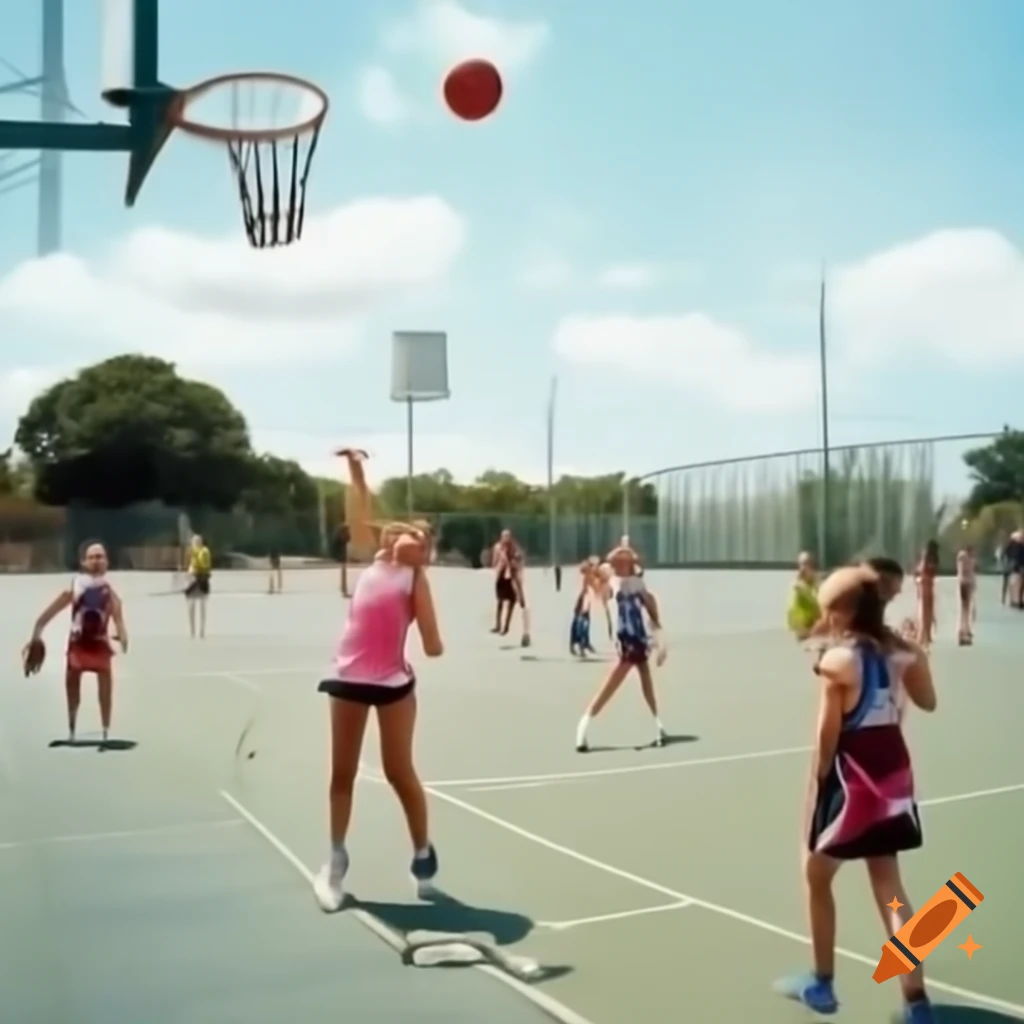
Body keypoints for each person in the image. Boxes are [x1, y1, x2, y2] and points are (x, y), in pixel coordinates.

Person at [775, 565, 936, 1022]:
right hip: (893, 774)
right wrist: (917, 655)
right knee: (890, 887)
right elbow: (927, 701)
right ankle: (916, 1002)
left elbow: (826, 737)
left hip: (855, 778)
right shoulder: (904, 654)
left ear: (843, 612)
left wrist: (816, 794)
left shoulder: (838, 662)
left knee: (816, 874)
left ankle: (821, 983)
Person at [312, 454, 443, 913]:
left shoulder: (415, 580)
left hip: (393, 684)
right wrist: (357, 474)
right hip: (347, 676)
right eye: (408, 531)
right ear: (391, 539)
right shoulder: (372, 559)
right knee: (341, 774)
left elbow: (432, 645)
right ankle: (335, 863)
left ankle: (423, 854)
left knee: (398, 771)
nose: (411, 537)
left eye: (421, 537)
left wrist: (428, 620)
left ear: (423, 551)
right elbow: (358, 514)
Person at [23, 540, 128, 746]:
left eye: (100, 557)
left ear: (107, 562)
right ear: (83, 562)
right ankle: (72, 727)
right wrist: (37, 631)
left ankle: (106, 728)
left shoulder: (110, 592)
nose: (96, 561)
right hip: (78, 645)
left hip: (100, 644)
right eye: (92, 557)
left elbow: (118, 617)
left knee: (106, 685)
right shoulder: (75, 586)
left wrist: (123, 635)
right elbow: (51, 611)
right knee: (72, 685)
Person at [574, 544, 667, 752]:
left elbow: (651, 608)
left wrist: (659, 637)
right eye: (621, 560)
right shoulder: (611, 583)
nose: (624, 563)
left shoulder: (637, 584)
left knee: (645, 679)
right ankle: (585, 722)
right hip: (625, 636)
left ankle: (656, 722)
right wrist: (592, 569)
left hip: (639, 636)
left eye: (627, 560)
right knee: (613, 682)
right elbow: (595, 576)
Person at [787, 551, 820, 641]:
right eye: (800, 564)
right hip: (799, 630)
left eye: (805, 564)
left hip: (812, 628)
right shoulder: (797, 582)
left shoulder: (816, 583)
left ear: (812, 566)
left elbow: (817, 602)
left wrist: (802, 590)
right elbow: (792, 606)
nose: (802, 568)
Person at [184, 533, 212, 639]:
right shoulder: (192, 552)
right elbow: (191, 567)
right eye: (194, 541)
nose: (195, 543)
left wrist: (194, 569)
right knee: (191, 606)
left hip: (202, 580)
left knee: (202, 606)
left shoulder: (204, 552)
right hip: (193, 581)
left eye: (197, 541)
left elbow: (204, 565)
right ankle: (192, 631)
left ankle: (201, 630)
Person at [914, 540, 940, 647]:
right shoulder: (934, 558)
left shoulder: (926, 557)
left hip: (923, 583)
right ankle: (927, 635)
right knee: (928, 611)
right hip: (929, 583)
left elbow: (920, 570)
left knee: (924, 611)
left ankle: (922, 635)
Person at [955, 543, 976, 645]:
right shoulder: (964, 558)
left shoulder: (966, 558)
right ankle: (963, 630)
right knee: (965, 608)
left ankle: (965, 629)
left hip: (967, 583)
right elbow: (965, 571)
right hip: (965, 583)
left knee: (966, 608)